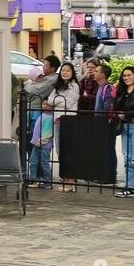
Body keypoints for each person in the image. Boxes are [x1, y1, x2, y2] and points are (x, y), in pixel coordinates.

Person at [23, 55, 60, 184]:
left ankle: (41, 176)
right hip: (34, 111)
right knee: (32, 143)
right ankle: (36, 175)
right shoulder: (46, 77)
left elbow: (34, 89)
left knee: (37, 143)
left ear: (53, 68)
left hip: (38, 112)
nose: (43, 67)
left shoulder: (52, 79)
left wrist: (28, 85)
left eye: (45, 65)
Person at [113, 66, 134, 198]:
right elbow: (116, 107)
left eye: (129, 75)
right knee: (126, 157)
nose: (126, 78)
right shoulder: (122, 91)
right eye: (124, 76)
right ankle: (130, 187)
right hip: (125, 126)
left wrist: (125, 113)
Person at [52, 62, 81, 190]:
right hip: (57, 121)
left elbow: (68, 103)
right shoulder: (58, 86)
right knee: (60, 151)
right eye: (63, 70)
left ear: (72, 73)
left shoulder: (74, 86)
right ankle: (66, 179)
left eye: (68, 70)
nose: (65, 72)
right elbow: (49, 99)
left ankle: (71, 182)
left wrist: (56, 101)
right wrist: (58, 100)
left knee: (68, 152)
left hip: (69, 121)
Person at [94, 63, 118, 184]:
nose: (94, 72)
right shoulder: (100, 87)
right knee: (105, 149)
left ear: (103, 74)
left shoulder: (107, 87)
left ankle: (109, 176)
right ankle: (105, 175)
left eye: (97, 71)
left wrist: (102, 121)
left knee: (108, 149)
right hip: (102, 123)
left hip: (106, 123)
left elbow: (107, 106)